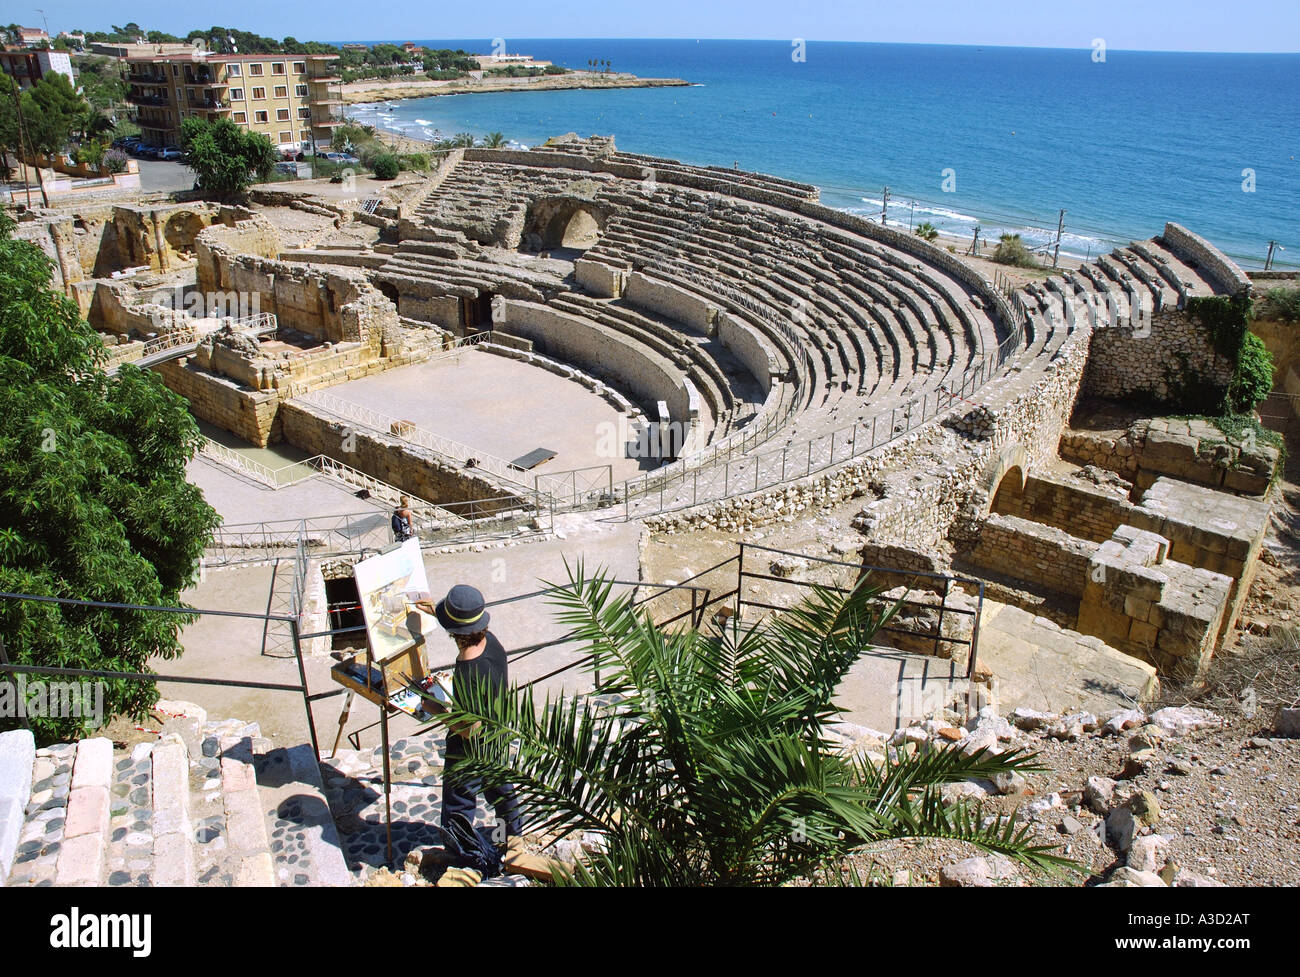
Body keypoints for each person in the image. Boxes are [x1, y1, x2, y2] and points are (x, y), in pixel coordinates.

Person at [420, 584, 522, 846]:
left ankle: (462, 853)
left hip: (469, 746)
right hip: (497, 729)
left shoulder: (469, 668)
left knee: (458, 801)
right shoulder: (491, 642)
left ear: (455, 631)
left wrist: (436, 710)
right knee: (499, 788)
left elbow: (470, 728)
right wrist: (437, 612)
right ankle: (511, 837)